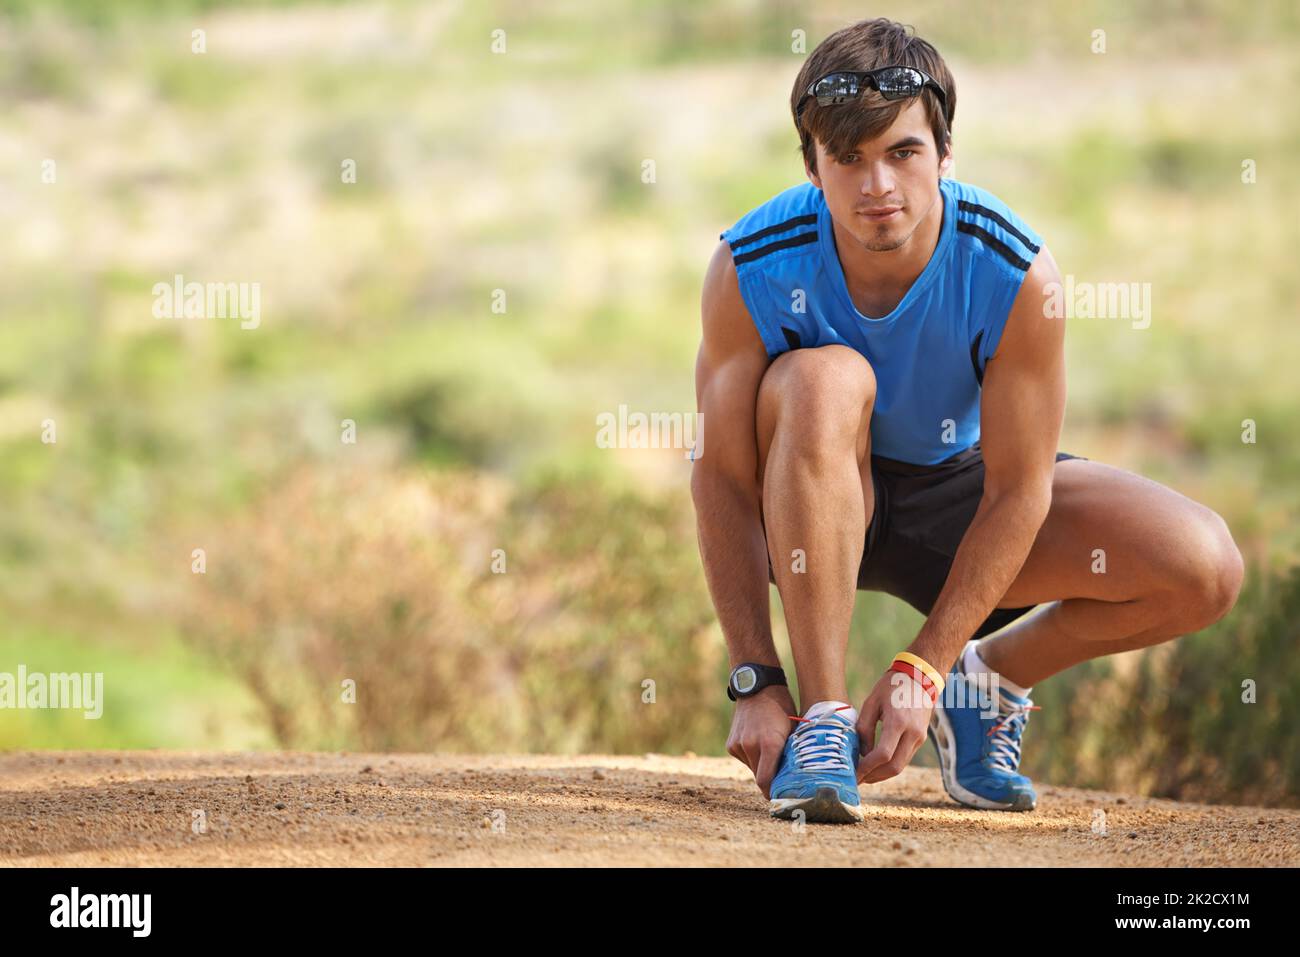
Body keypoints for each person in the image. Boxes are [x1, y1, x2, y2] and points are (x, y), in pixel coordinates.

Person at [691, 18, 1243, 822]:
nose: (877, 184)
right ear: (812, 166)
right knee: (823, 380)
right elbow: (721, 477)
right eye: (848, 158)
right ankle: (823, 723)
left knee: (1204, 564)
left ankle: (986, 687)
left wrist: (929, 666)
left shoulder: (1014, 270)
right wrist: (754, 680)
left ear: (945, 155)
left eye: (902, 152)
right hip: (812, 503)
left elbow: (1021, 490)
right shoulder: (752, 265)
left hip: (966, 502)